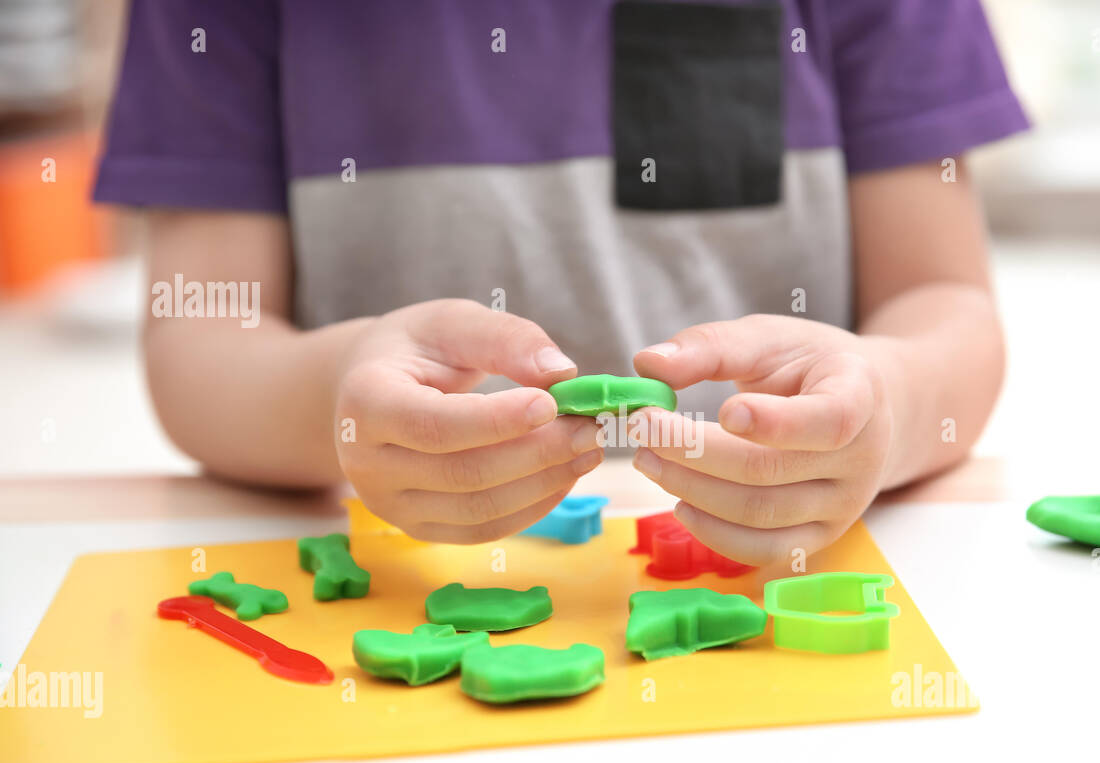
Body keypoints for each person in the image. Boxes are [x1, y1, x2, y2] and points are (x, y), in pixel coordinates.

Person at [95, 0, 1028, 564]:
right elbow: (202, 337)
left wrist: (889, 407)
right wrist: (337, 406)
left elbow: (948, 307)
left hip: (788, 589)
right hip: (392, 593)